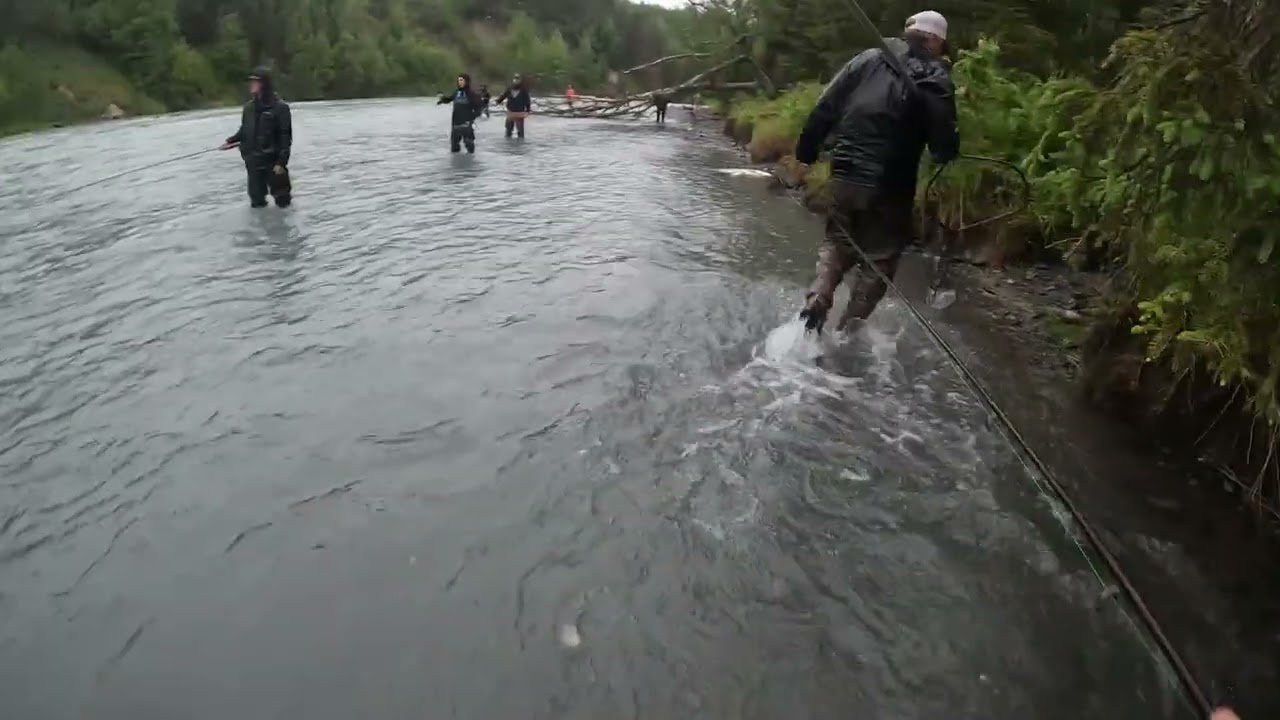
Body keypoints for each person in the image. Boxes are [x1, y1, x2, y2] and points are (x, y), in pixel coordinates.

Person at [794, 10, 959, 334]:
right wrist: (944, 147)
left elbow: (826, 105)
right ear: (936, 40)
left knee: (838, 241)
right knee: (879, 261)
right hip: (891, 187)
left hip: (846, 174)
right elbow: (944, 146)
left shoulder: (869, 59)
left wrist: (806, 150)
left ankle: (819, 296)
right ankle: (846, 334)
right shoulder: (937, 77)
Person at [221, 66, 293, 208]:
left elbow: (285, 138)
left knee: (283, 201)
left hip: (273, 163)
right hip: (253, 162)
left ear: (264, 84)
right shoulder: (249, 108)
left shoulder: (281, 108)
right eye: (251, 81)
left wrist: (281, 162)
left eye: (255, 81)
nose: (251, 84)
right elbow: (245, 130)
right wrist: (231, 141)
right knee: (256, 201)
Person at [437, 73, 484, 153]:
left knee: (469, 146)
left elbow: (479, 107)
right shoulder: (456, 92)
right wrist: (442, 99)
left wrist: (473, 116)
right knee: (454, 148)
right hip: (456, 123)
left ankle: (470, 160)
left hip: (467, 124)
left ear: (466, 81)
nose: (459, 82)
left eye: (461, 80)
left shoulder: (471, 94)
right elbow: (449, 99)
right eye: (458, 80)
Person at [496, 74, 532, 138]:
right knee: (508, 131)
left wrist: (528, 110)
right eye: (515, 79)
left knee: (520, 132)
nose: (516, 80)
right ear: (513, 80)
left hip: (520, 112)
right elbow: (503, 95)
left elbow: (527, 100)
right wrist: (498, 101)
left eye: (518, 79)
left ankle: (520, 142)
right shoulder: (509, 89)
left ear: (520, 80)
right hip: (510, 111)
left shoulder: (523, 90)